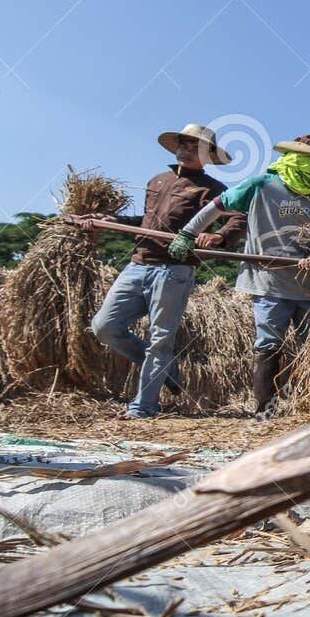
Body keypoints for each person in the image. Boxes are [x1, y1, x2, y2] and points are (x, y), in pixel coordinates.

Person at [173, 134, 310, 418]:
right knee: (268, 345)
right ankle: (265, 411)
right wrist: (187, 233)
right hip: (269, 283)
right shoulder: (262, 186)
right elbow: (218, 205)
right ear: (301, 160)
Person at [85, 123, 243, 420]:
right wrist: (109, 220)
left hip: (175, 270)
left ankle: (142, 407)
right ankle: (165, 368)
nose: (185, 150)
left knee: (161, 340)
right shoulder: (157, 180)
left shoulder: (214, 190)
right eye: (182, 144)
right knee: (104, 327)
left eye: (193, 147)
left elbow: (237, 219)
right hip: (138, 264)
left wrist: (218, 237)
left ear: (208, 155)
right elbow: (146, 221)